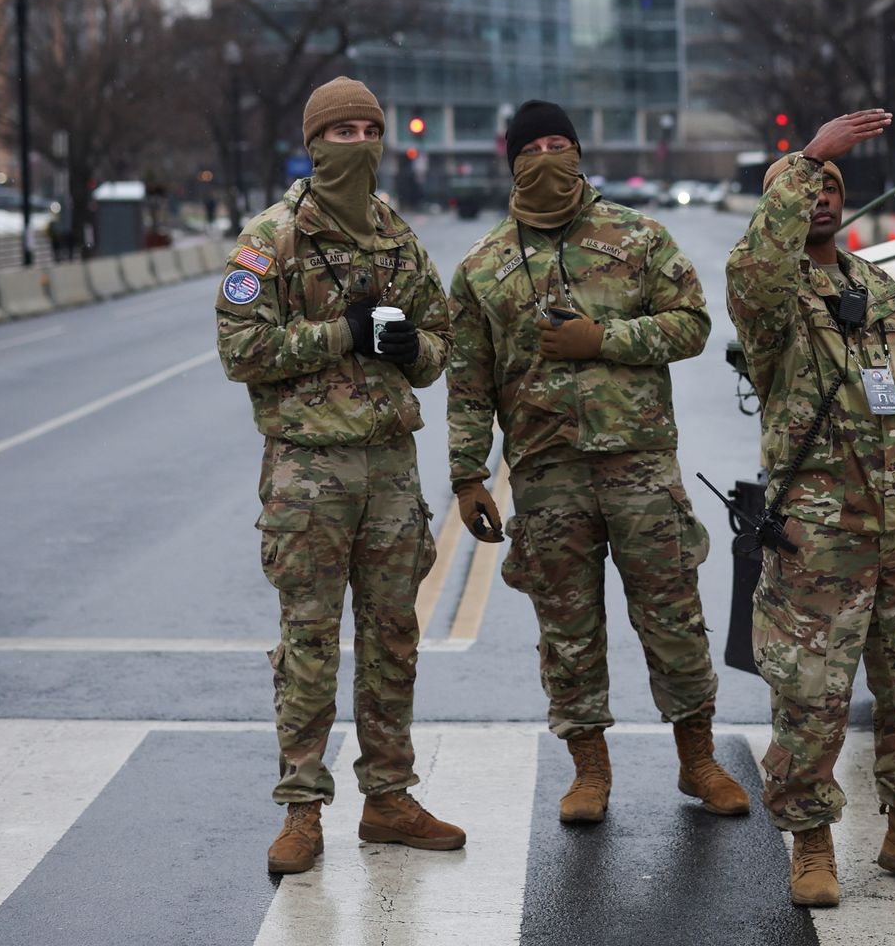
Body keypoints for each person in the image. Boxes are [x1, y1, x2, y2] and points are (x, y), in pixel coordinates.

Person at [445, 100, 750, 825]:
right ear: (512, 162)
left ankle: (698, 760)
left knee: (673, 617)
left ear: (579, 153)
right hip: (545, 473)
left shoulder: (637, 237)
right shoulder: (482, 267)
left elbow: (692, 325)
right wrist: (467, 474)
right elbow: (468, 378)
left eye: (560, 144)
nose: (548, 157)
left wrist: (604, 339)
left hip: (639, 465)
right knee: (567, 630)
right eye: (533, 148)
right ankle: (589, 770)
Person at [725, 110, 895, 908]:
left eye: (833, 185)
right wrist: (806, 157)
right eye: (806, 187)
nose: (822, 195)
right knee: (811, 692)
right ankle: (810, 843)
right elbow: (753, 273)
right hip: (821, 534)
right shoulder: (771, 300)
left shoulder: (877, 287)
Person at [216, 76, 465, 875]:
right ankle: (301, 810)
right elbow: (240, 350)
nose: (358, 144)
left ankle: (388, 798)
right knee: (310, 643)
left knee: (393, 638)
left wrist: (413, 350)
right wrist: (341, 335)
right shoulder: (272, 238)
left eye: (369, 130)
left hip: (390, 466)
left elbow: (440, 340)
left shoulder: (398, 237)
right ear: (314, 142)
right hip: (309, 470)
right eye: (342, 131)